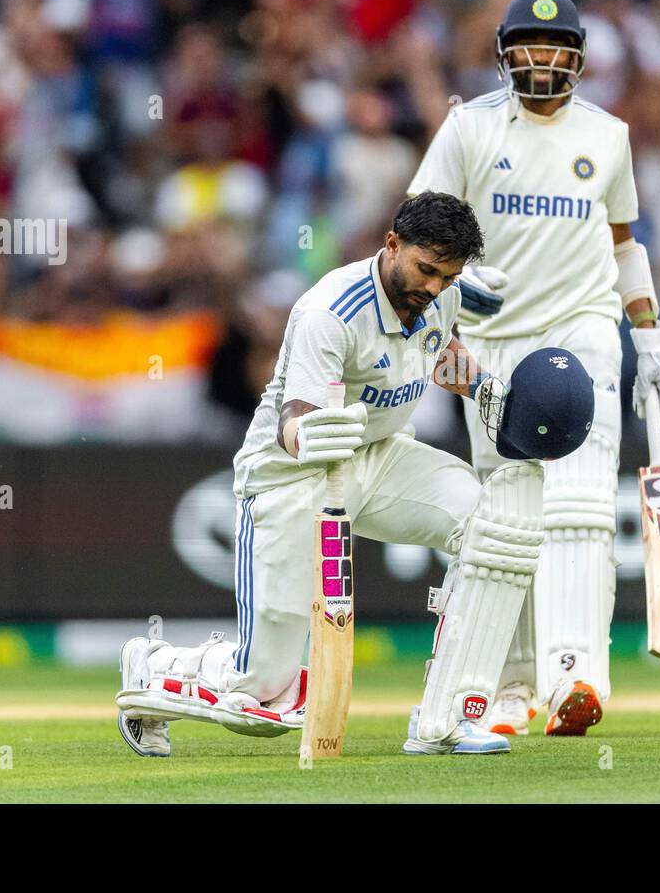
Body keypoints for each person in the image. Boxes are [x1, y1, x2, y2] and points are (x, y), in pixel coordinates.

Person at [114, 191, 593, 756]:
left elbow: (433, 343)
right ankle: (153, 664)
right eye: (427, 270)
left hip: (380, 457)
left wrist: (465, 371)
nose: (435, 288)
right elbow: (294, 416)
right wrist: (306, 434)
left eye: (449, 276)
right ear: (392, 245)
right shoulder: (330, 311)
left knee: (490, 521)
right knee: (263, 697)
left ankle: (447, 715)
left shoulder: (442, 294)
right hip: (292, 477)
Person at [406, 0, 660, 736]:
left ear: (579, 58)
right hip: (491, 345)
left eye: (555, 46)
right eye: (528, 45)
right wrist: (451, 307)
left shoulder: (610, 135)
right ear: (505, 53)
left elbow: (625, 247)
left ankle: (576, 674)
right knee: (506, 515)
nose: (542, 60)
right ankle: (508, 687)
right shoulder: (468, 128)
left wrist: (650, 340)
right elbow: (415, 232)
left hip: (583, 330)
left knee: (581, 503)